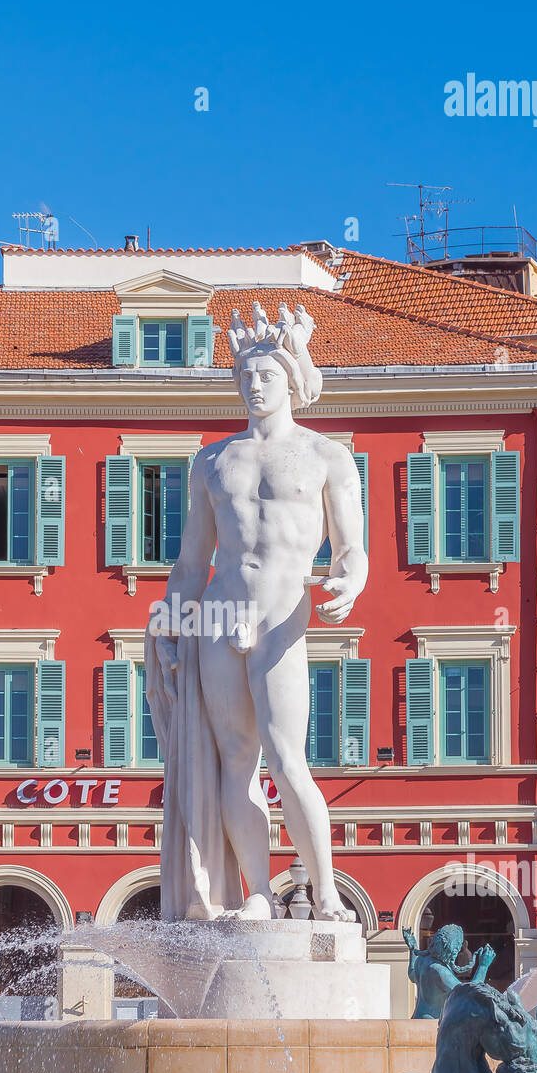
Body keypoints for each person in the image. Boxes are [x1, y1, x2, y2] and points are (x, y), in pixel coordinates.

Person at [145, 304, 368, 920]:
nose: (255, 384)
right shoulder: (213, 460)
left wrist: (349, 583)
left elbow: (353, 549)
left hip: (281, 615)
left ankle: (325, 894)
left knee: (286, 755)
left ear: (291, 379)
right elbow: (192, 562)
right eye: (245, 374)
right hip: (218, 615)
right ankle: (259, 895)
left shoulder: (326, 456)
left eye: (266, 374)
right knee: (234, 761)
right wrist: (170, 622)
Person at [403, 923, 496, 1018]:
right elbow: (469, 995)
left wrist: (413, 948)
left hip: (417, 1018)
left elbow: (412, 975)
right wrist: (483, 966)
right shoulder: (440, 971)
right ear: (452, 950)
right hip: (432, 1024)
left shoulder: (422, 959)